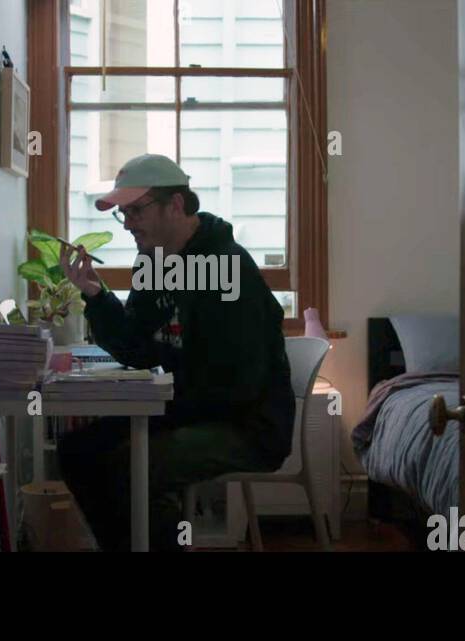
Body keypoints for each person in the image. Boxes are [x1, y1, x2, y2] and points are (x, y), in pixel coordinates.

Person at [56, 153, 295, 551]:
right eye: (123, 214)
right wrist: (95, 294)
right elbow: (135, 346)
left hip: (247, 426)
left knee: (133, 465)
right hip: (189, 408)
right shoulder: (155, 261)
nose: (129, 224)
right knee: (78, 451)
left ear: (177, 205)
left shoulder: (228, 269)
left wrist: (160, 405)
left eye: (137, 210)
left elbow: (237, 386)